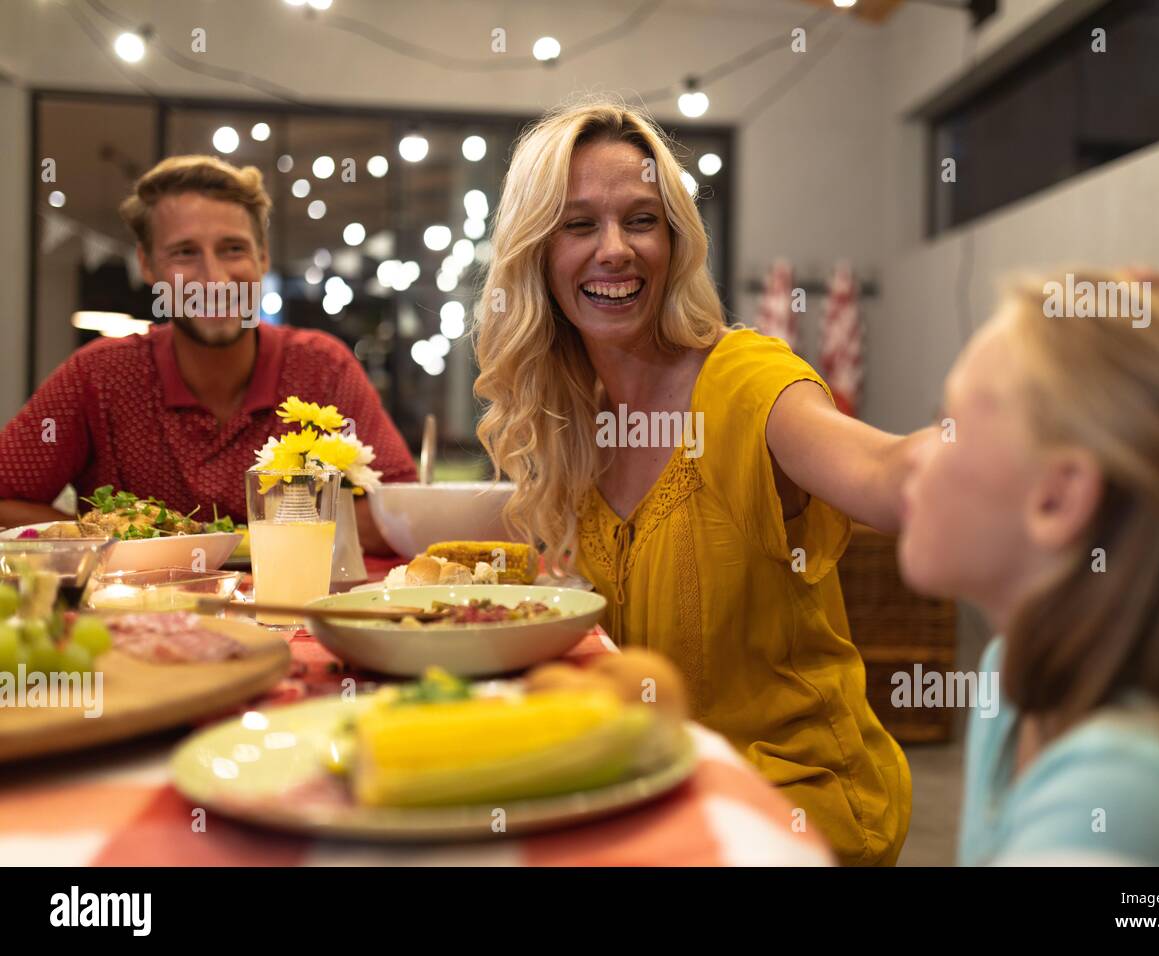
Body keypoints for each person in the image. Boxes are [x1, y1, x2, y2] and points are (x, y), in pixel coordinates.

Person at [474, 98, 926, 865]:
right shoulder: (571, 419)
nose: (614, 250)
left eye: (641, 220)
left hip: (793, 810)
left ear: (676, 240)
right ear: (537, 254)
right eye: (579, 225)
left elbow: (887, 473)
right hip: (652, 799)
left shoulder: (747, 381)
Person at [897, 269, 1159, 865]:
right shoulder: (1010, 671)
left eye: (946, 422)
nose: (914, 456)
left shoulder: (1127, 796)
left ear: (1058, 497)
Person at [0, 155, 415, 550]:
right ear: (147, 265)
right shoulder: (99, 374)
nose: (214, 279)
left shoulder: (321, 367)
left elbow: (402, 513)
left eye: (233, 249)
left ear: (262, 257)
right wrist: (111, 535)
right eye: (185, 253)